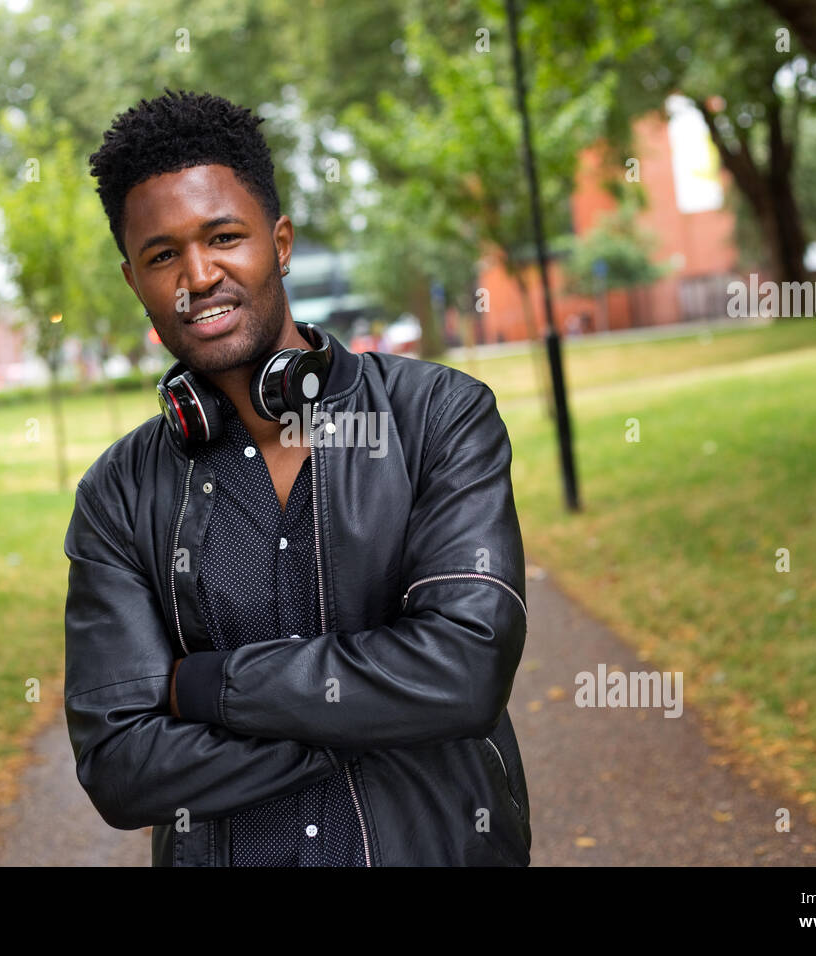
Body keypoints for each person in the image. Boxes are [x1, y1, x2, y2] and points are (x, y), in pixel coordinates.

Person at [64, 88, 531, 866]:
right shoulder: (116, 494)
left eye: (224, 236)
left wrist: (205, 689)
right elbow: (121, 769)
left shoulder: (438, 417)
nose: (198, 274)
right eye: (162, 255)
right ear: (134, 281)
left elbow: (465, 669)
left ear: (279, 242)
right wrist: (372, 724)